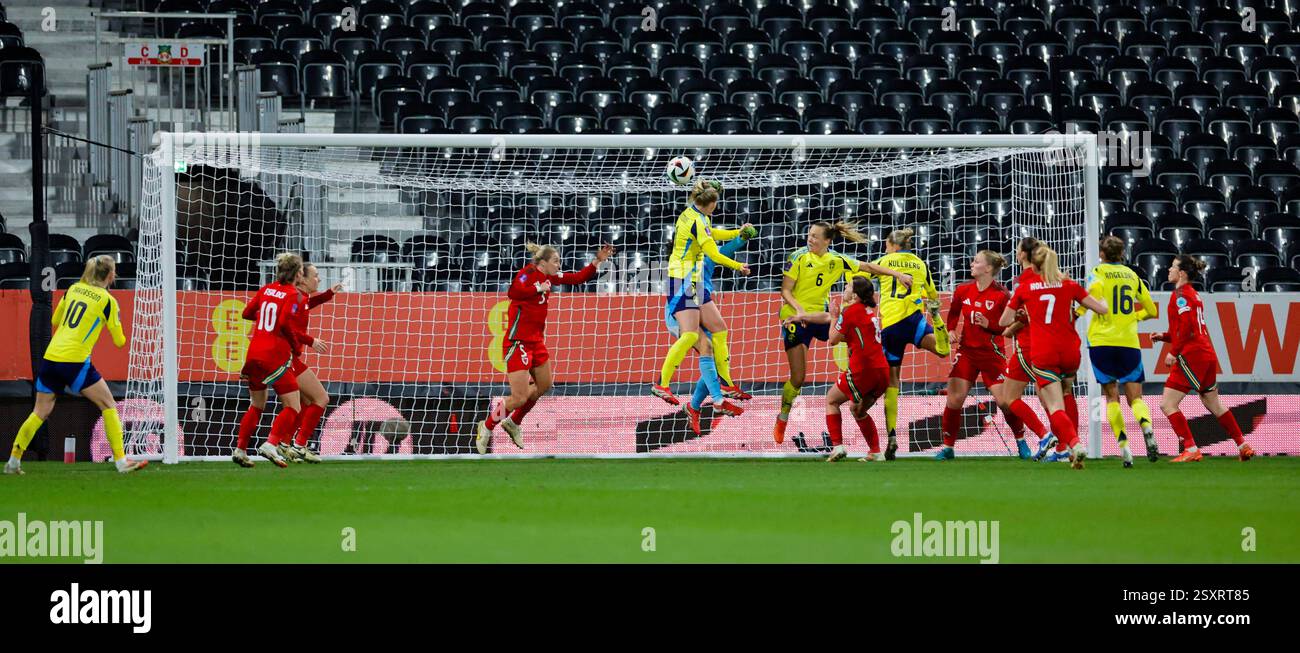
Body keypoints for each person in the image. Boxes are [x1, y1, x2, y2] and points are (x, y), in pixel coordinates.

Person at [5, 256, 148, 475]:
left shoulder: (73, 289)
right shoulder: (107, 300)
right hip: (75, 361)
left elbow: (55, 321)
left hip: (51, 358)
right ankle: (121, 461)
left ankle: (13, 461)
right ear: (111, 275)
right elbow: (120, 341)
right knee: (109, 405)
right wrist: (115, 319)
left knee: (39, 412)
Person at [773, 220, 913, 444]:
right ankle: (782, 417)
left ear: (827, 241)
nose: (810, 239)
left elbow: (868, 267)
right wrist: (800, 312)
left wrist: (897, 275)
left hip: (820, 317)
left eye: (815, 236)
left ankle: (859, 382)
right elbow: (786, 290)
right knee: (798, 378)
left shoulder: (836, 260)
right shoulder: (798, 257)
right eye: (809, 235)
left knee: (849, 328)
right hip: (794, 318)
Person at [476, 241, 616, 454]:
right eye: (556, 261)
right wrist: (537, 288)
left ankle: (514, 422)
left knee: (544, 385)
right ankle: (486, 427)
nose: (559, 265)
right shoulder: (528, 273)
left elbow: (577, 278)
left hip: (536, 342)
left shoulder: (550, 276)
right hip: (517, 342)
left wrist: (597, 261)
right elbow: (513, 291)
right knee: (519, 397)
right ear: (542, 263)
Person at [999, 245, 1109, 469]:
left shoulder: (1026, 287)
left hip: (1044, 351)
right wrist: (1104, 303)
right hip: (1070, 351)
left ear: (1034, 263)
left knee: (1055, 405)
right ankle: (1068, 448)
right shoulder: (1069, 284)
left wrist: (1023, 313)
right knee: (1068, 393)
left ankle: (1074, 444)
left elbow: (1003, 321)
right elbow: (1101, 309)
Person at [652, 178, 751, 407]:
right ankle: (661, 383)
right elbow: (714, 254)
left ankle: (725, 383)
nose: (717, 206)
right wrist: (738, 267)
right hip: (682, 279)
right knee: (690, 335)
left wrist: (738, 231)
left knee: (719, 328)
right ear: (711, 203)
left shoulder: (695, 213)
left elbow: (712, 233)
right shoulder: (697, 220)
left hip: (694, 280)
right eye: (716, 202)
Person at [1153, 256, 1255, 463]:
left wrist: (1174, 351)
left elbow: (1189, 327)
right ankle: (1243, 445)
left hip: (1192, 356)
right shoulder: (1193, 294)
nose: (1168, 270)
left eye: (1173, 267)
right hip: (1206, 354)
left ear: (1182, 273)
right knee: (1213, 402)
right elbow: (1187, 327)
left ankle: (1190, 448)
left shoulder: (1180, 295)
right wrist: (1164, 336)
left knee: (1167, 404)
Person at [785, 276, 891, 462]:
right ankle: (875, 451)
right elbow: (836, 325)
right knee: (857, 409)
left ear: (855, 295)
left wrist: (835, 317)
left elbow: (833, 339)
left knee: (831, 400)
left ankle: (837, 446)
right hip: (882, 372)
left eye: (849, 285)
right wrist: (803, 316)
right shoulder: (867, 312)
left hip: (863, 370)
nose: (845, 287)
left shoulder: (850, 311)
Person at [936, 250, 1026, 460]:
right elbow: (954, 313)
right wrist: (950, 330)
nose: (972, 263)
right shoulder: (963, 290)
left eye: (976, 261)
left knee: (1005, 402)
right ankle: (948, 447)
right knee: (954, 399)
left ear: (987, 268)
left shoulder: (1002, 295)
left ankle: (1021, 441)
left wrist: (989, 325)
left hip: (992, 354)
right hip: (967, 352)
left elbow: (1010, 326)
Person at [236, 252, 322, 468]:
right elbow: (284, 323)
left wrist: (266, 318)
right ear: (298, 273)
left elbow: (246, 313)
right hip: (273, 356)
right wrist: (295, 345)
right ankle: (272, 443)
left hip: (253, 354)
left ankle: (240, 449)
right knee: (294, 406)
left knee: (256, 405)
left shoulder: (266, 289)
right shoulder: (292, 295)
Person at [871, 228, 949, 460]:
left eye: (886, 244)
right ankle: (937, 321)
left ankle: (892, 435)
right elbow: (933, 295)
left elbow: (861, 276)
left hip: (891, 325)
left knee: (892, 382)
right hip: (915, 321)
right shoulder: (920, 263)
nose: (885, 248)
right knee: (942, 351)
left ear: (893, 246)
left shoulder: (884, 261)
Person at [1082, 236, 1160, 467]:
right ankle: (1146, 426)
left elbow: (1091, 297)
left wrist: (1075, 313)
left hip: (1101, 342)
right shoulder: (1133, 276)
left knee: (1111, 396)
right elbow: (1152, 310)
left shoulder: (1098, 272)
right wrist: (1134, 317)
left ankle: (1125, 449)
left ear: (1103, 254)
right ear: (1122, 253)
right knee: (1135, 397)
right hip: (1128, 342)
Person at [674, 225, 756, 434]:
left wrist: (741, 237)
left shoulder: (705, 258)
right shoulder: (680, 266)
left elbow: (721, 253)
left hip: (701, 307)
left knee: (711, 355)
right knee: (710, 349)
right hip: (683, 312)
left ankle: (693, 407)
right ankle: (720, 394)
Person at [993, 238, 1056, 461]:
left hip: (1028, 346)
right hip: (1050, 344)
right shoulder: (1050, 278)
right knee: (1048, 396)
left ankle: (1046, 435)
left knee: (1010, 397)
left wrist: (1011, 328)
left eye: (1018, 251)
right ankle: (1062, 441)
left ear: (1022, 255)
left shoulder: (1024, 281)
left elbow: (1023, 316)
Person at [282, 262, 345, 463]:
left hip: (287, 357)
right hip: (287, 358)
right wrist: (311, 341)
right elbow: (288, 326)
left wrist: (328, 294)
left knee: (304, 403)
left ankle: (285, 445)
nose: (318, 278)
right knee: (322, 398)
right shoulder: (296, 299)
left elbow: (308, 305)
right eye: (316, 275)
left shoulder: (301, 298)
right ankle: (298, 445)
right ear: (302, 278)